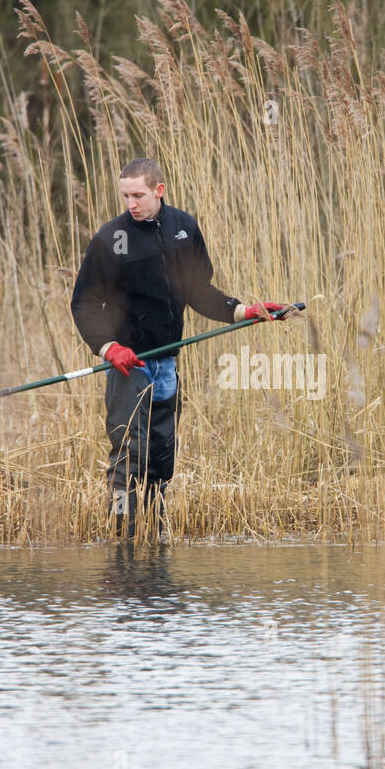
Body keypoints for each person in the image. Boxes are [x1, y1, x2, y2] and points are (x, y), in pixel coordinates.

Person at [70, 158, 285, 541]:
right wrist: (108, 347)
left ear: (159, 190)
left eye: (138, 195)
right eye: (125, 196)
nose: (131, 204)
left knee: (162, 456)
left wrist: (243, 310)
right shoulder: (109, 239)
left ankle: (154, 536)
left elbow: (198, 292)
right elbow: (84, 304)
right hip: (127, 367)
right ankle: (123, 540)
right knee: (129, 455)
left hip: (167, 363)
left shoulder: (183, 228)